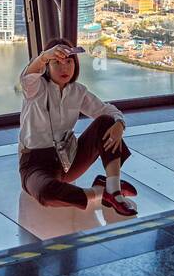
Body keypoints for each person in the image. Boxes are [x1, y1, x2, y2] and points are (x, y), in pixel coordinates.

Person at [18, 38, 138, 216]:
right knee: (46, 192)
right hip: (35, 164)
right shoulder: (35, 89)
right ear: (47, 66)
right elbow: (27, 75)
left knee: (106, 122)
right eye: (57, 63)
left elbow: (108, 110)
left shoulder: (78, 91)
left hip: (67, 160)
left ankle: (113, 190)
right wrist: (44, 56)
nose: (64, 68)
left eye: (68, 62)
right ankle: (100, 192)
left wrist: (120, 124)